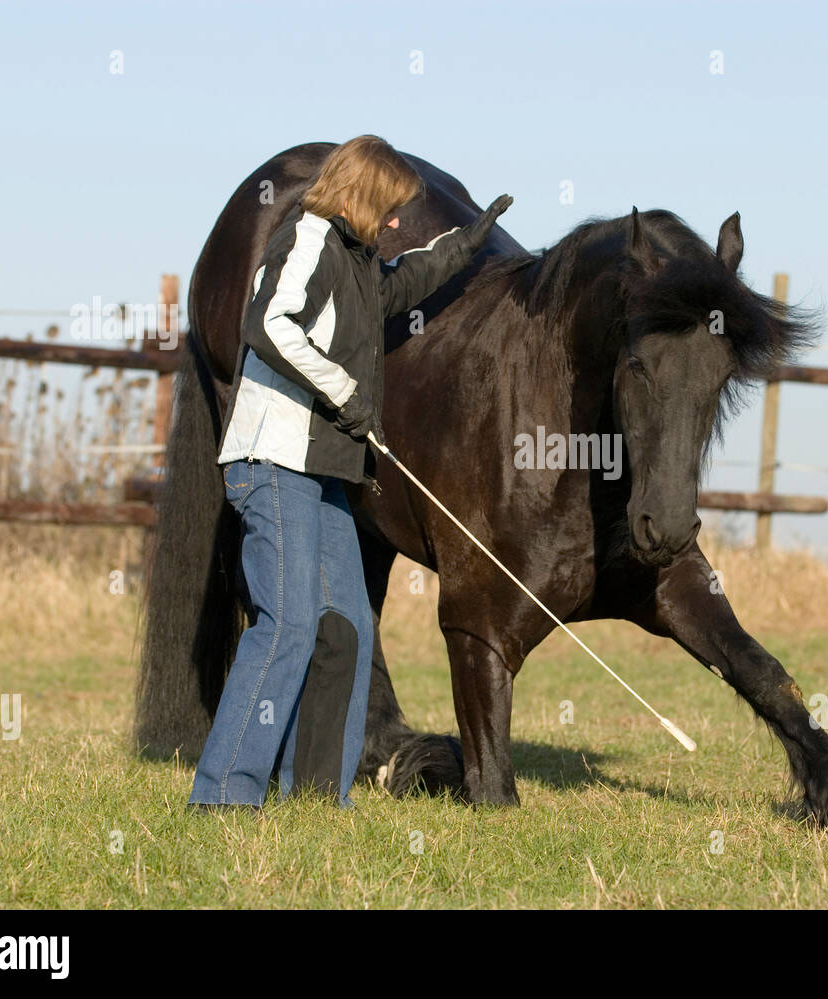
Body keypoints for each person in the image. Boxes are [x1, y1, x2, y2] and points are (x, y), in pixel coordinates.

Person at [188, 135, 512, 811]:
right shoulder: (306, 238)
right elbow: (268, 325)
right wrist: (346, 392)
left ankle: (312, 794)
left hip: (320, 469)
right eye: (389, 209)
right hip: (272, 459)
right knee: (288, 626)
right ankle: (220, 796)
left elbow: (398, 287)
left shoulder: (356, 258)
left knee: (348, 627)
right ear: (359, 194)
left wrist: (464, 244)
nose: (395, 223)